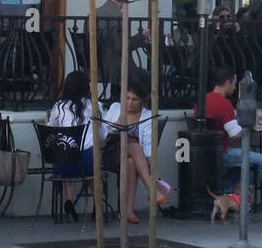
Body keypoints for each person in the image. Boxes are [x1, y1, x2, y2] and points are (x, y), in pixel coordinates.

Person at [104, 81, 170, 222]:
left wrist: (151, 166)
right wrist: (114, 125)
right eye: (127, 98)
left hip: (136, 157)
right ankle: (152, 190)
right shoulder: (116, 108)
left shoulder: (147, 116)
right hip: (111, 153)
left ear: (142, 101)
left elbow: (148, 145)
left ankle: (128, 212)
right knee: (134, 146)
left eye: (134, 99)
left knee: (131, 162)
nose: (130, 102)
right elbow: (102, 134)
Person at [47, 71, 105, 221]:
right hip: (87, 164)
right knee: (93, 168)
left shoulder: (59, 106)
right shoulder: (95, 105)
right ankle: (98, 205)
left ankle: (69, 199)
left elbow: (49, 130)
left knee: (67, 150)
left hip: (63, 165)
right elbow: (102, 136)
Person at [204, 67, 262, 194]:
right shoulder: (224, 103)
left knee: (239, 167)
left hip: (206, 153)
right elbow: (235, 134)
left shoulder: (203, 100)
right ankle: (240, 193)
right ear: (227, 82)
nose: (235, 88)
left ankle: (227, 191)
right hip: (222, 153)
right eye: (234, 84)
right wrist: (249, 123)